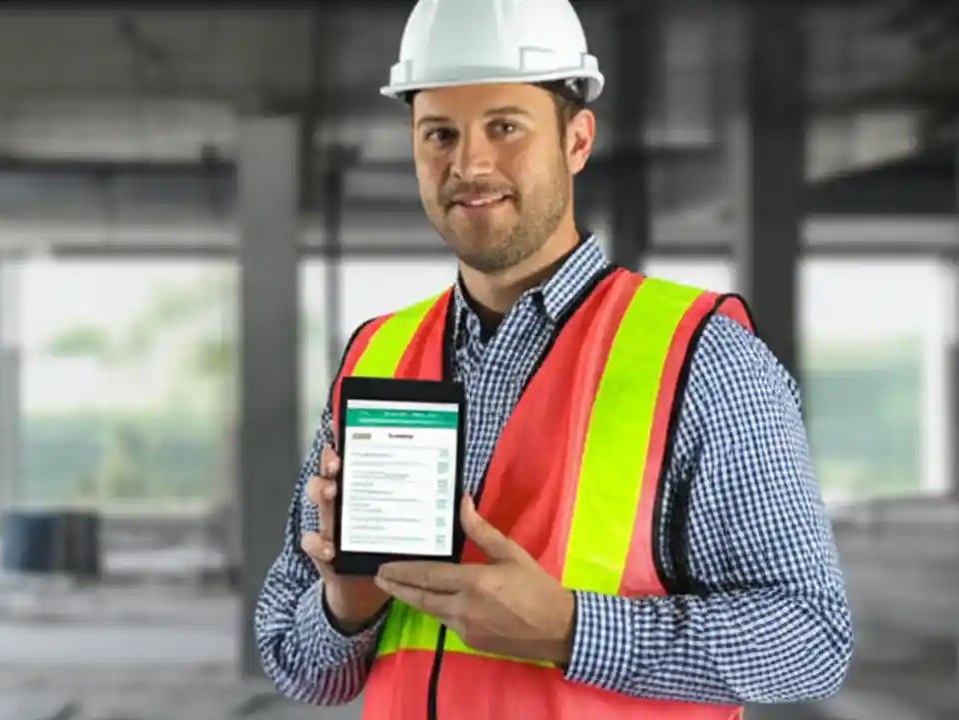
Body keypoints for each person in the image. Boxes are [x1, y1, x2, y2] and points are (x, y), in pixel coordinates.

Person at [253, 0, 853, 717]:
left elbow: (813, 640)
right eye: (438, 133)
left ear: (576, 140)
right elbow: (298, 664)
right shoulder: (377, 354)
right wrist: (347, 605)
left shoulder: (703, 357)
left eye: (505, 127)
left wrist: (571, 629)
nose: (469, 164)